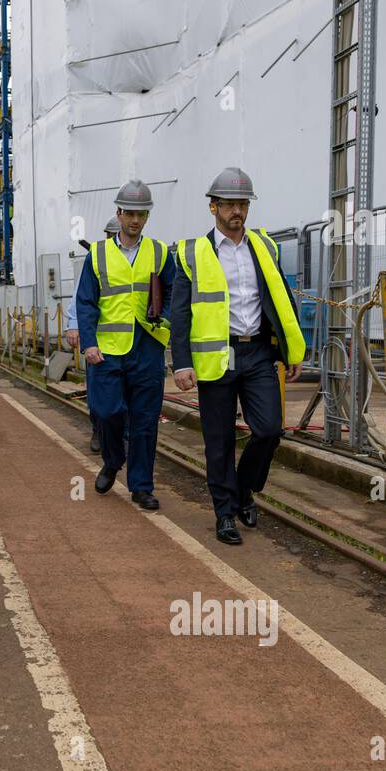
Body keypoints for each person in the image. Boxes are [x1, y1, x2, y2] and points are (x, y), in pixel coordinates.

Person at [170, 167, 305, 545]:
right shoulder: (192, 253)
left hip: (258, 351)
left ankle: (245, 489)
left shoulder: (264, 247)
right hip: (217, 355)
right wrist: (181, 363)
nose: (237, 211)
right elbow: (179, 314)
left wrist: (292, 349)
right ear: (213, 207)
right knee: (219, 438)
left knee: (268, 429)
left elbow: (282, 301)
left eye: (243, 204)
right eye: (229, 204)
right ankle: (225, 512)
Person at [77, 181, 174, 510]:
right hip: (107, 348)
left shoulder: (160, 252)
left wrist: (168, 321)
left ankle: (141, 486)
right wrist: (88, 343)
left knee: (145, 420)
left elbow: (175, 294)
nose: (135, 219)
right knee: (106, 412)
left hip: (147, 348)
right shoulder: (98, 254)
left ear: (147, 217)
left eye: (141, 214)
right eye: (129, 213)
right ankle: (113, 459)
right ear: (118, 213)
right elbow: (86, 302)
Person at [66, 216, 120, 454]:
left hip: (128, 342)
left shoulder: (137, 261)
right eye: (110, 236)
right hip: (98, 340)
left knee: (125, 393)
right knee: (98, 391)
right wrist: (74, 324)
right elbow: (81, 296)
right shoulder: (96, 260)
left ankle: (120, 436)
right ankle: (99, 429)